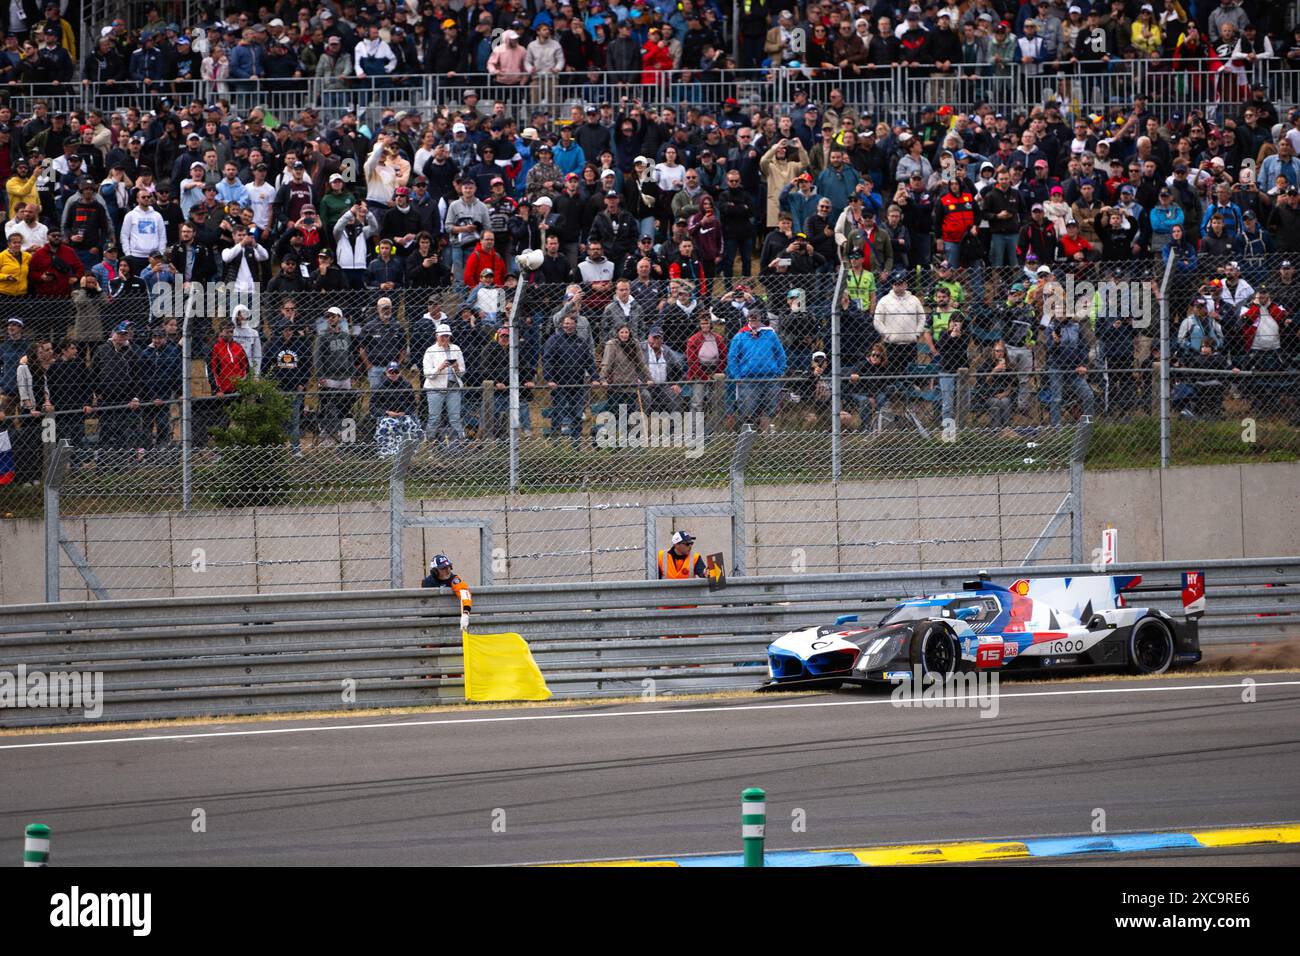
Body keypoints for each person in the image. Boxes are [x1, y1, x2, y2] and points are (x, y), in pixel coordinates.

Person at [422, 322, 466, 442]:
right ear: (436, 336)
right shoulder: (430, 351)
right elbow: (427, 373)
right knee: (434, 417)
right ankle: (429, 441)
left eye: (447, 336)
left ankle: (461, 440)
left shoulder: (456, 349)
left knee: (455, 417)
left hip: (453, 386)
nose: (445, 338)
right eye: (442, 336)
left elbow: (462, 372)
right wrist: (440, 367)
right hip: (435, 387)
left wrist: (456, 367)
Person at [372, 361, 424, 455]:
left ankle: (408, 451)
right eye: (391, 372)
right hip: (386, 416)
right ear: (386, 373)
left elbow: (412, 404)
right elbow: (373, 407)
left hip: (403, 414)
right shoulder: (379, 387)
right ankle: (388, 452)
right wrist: (387, 412)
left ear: (399, 372)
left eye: (396, 371)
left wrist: (404, 412)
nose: (394, 374)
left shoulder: (406, 385)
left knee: (409, 422)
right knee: (389, 424)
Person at [422, 553, 472, 632]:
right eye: (443, 568)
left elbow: (464, 592)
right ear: (435, 571)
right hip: (434, 622)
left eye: (448, 567)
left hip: (452, 621)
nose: (447, 570)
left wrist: (465, 613)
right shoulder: (427, 582)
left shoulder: (454, 579)